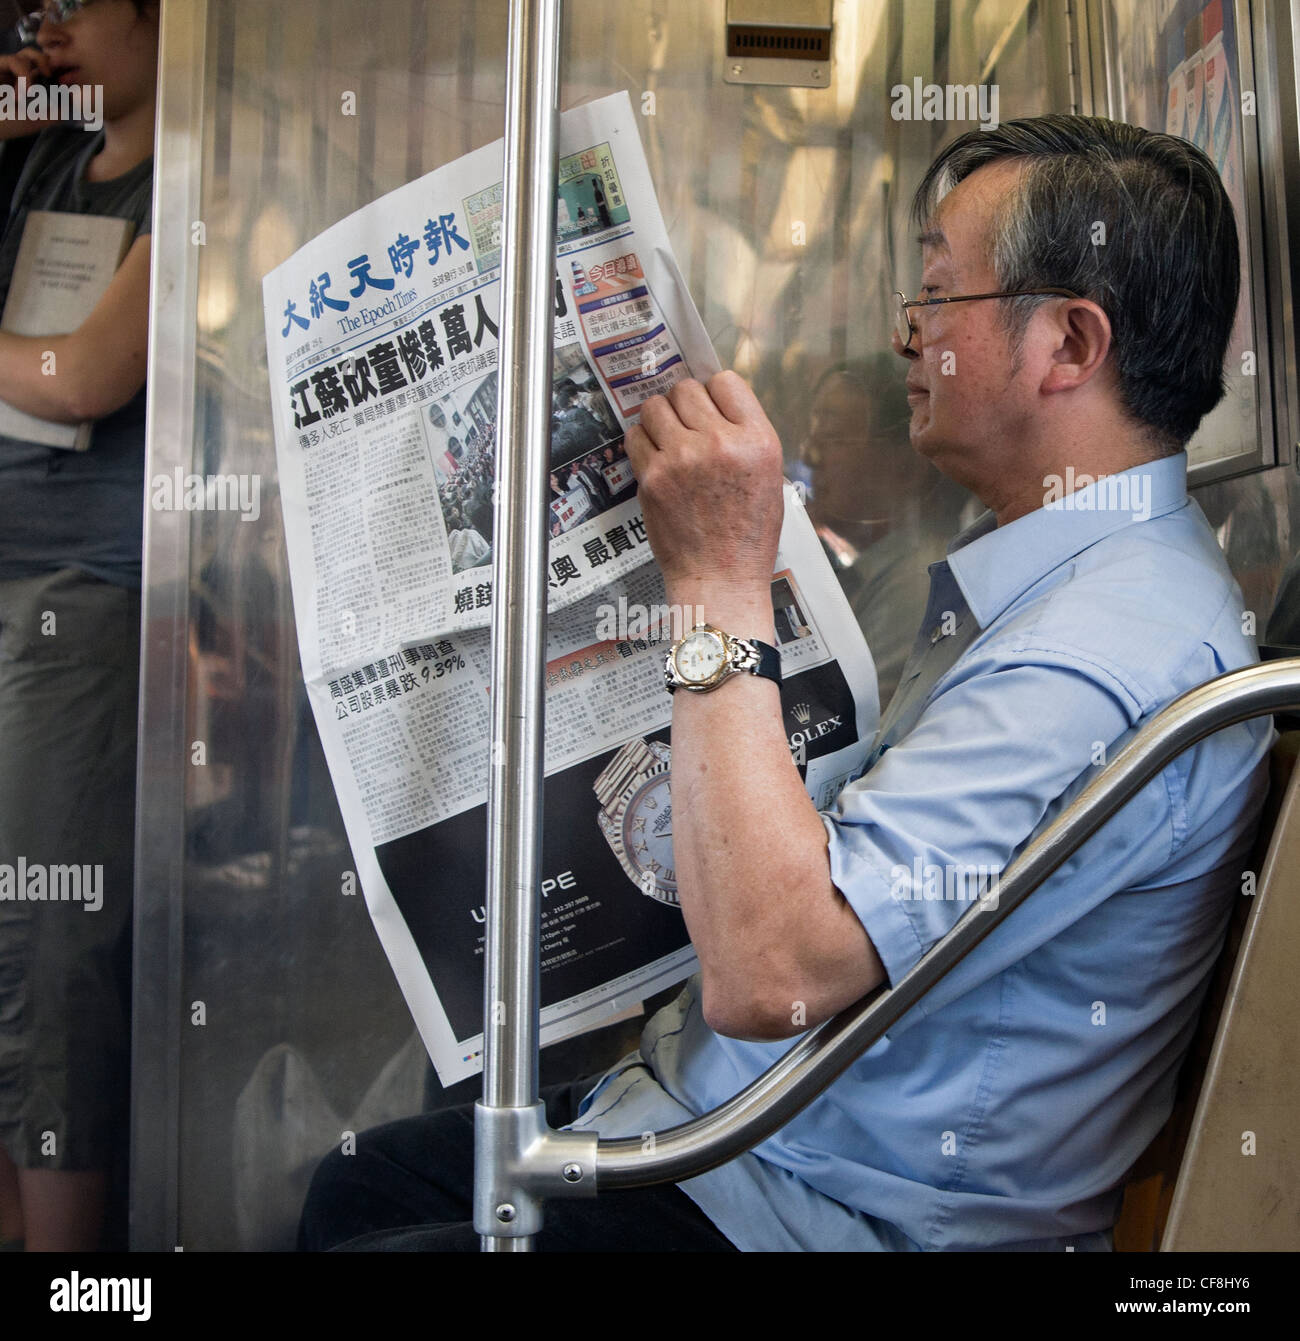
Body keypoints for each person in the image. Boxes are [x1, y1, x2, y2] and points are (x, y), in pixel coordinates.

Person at [298, 115, 1270, 1251]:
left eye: (936, 297)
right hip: (730, 1130)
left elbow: (780, 977)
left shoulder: (1103, 652)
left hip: (820, 1208)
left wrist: (716, 577)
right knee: (358, 1187)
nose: (906, 337)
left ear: (1066, 343)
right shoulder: (1068, 576)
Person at [0, 0, 158, 1252]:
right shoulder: (45, 162)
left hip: (83, 587)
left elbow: (83, 376)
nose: (54, 30)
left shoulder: (189, 179)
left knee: (52, 939)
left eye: (83, 3)